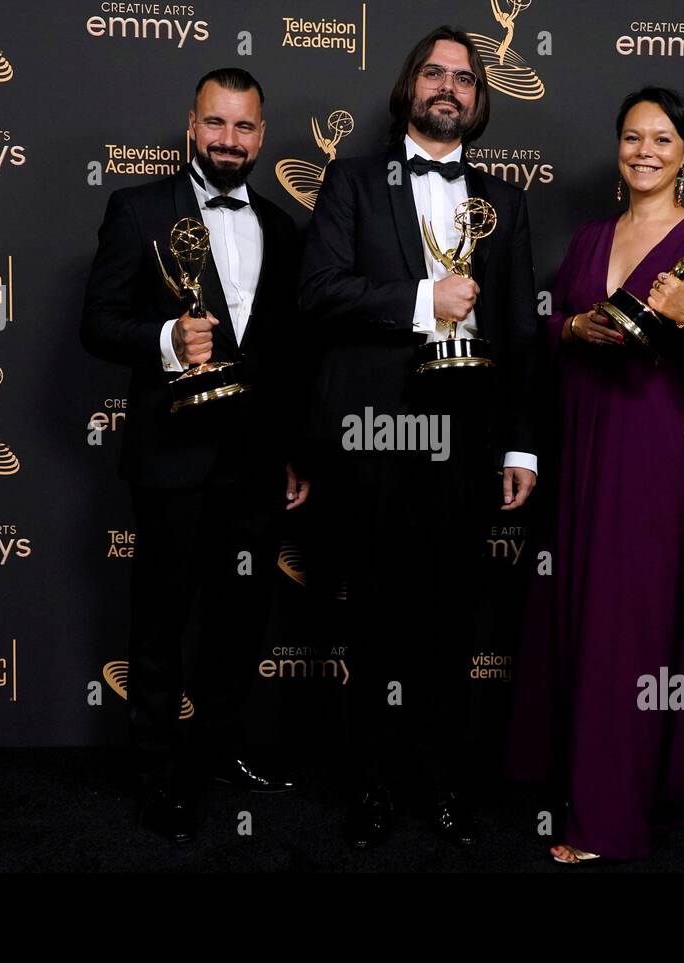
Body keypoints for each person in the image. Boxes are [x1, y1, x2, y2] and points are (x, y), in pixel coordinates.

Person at [299, 25, 541, 849]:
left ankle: (445, 787)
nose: (450, 88)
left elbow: (517, 329)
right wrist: (420, 301)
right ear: (409, 88)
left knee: (450, 627)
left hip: (465, 444)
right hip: (373, 434)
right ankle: (370, 786)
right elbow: (320, 293)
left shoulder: (506, 201)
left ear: (478, 98)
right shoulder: (354, 182)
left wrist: (519, 445)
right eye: (435, 74)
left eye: (465, 79)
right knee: (371, 621)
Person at [506, 87, 684, 863]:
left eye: (661, 139)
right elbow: (545, 323)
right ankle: (578, 780)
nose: (643, 151)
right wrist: (570, 326)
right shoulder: (591, 237)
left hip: (647, 444)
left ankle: (608, 817)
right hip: (579, 436)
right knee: (578, 608)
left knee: (627, 621)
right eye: (630, 137)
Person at [81, 67, 308, 845]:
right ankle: (155, 772)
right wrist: (165, 342)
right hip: (171, 461)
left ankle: (215, 752)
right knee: (161, 620)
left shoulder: (282, 228)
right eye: (217, 123)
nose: (229, 140)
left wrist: (291, 452)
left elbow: (285, 358)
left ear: (261, 137)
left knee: (240, 622)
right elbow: (97, 323)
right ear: (191, 124)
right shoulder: (139, 209)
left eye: (245, 128)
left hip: (253, 466)